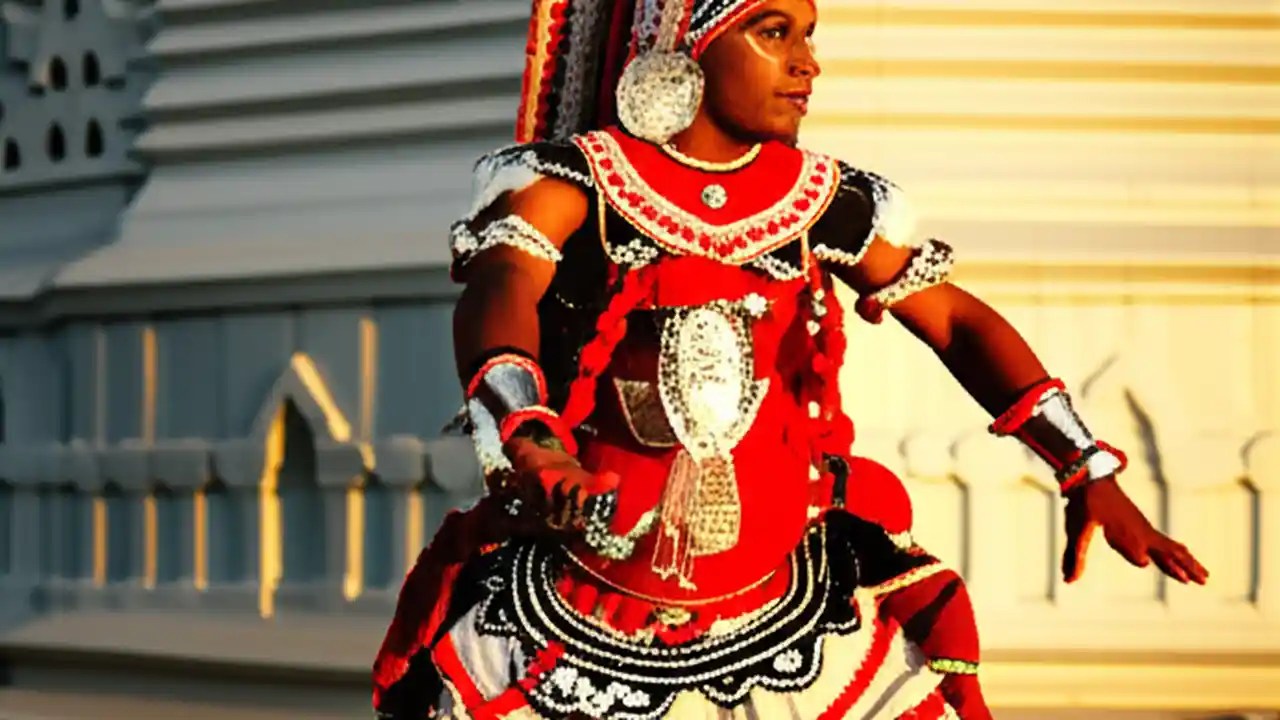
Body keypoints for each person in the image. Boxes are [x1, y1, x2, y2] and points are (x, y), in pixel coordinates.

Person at [372, 1, 1209, 717]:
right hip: (572, 619)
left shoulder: (824, 200)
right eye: (774, 32)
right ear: (683, 45)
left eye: (810, 34)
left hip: (796, 620)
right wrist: (528, 438)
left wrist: (1083, 463)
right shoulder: (574, 184)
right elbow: (504, 285)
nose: (809, 63)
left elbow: (955, 321)